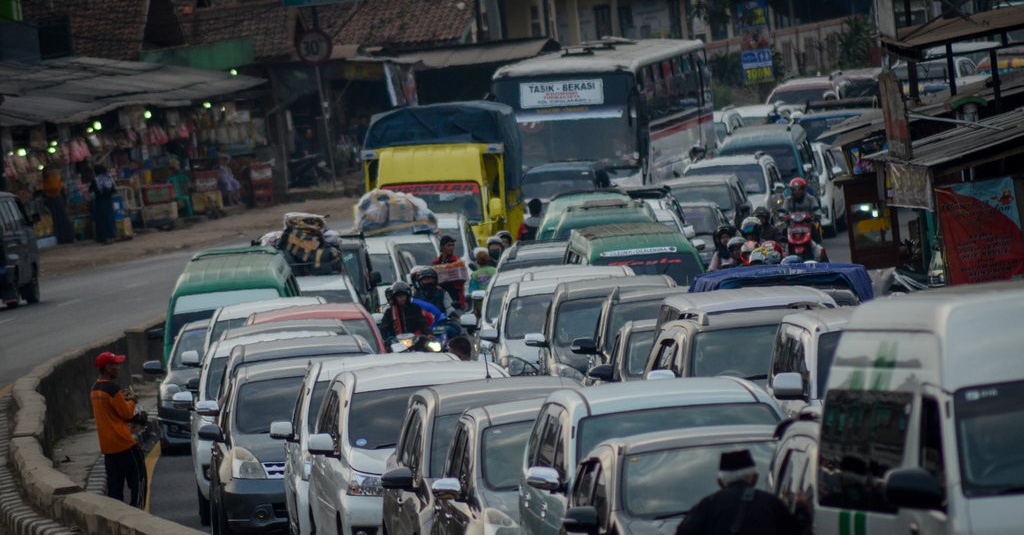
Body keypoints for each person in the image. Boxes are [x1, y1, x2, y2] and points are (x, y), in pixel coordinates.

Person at [675, 449, 799, 535]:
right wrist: (802, 508)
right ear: (755, 478)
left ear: (720, 482)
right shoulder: (772, 503)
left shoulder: (707, 505)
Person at [90, 351, 146, 507]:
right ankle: (138, 513)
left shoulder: (95, 389)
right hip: (124, 445)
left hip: (108, 449)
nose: (119, 367)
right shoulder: (112, 389)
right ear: (108, 368)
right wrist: (132, 400)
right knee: (138, 482)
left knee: (115, 491)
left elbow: (110, 412)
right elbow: (126, 413)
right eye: (115, 364)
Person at [432, 235, 467, 310]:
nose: (451, 248)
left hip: (455, 298)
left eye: (452, 245)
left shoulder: (457, 262)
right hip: (440, 298)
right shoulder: (436, 262)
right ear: (442, 247)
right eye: (448, 245)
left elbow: (463, 280)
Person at [42, 169, 75, 244]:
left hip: (57, 203)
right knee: (59, 221)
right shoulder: (48, 182)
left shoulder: (52, 181)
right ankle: (64, 238)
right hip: (56, 203)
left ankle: (66, 238)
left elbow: (59, 190)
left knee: (62, 220)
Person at [88, 164, 117, 244]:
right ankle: (112, 237)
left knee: (102, 220)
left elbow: (92, 190)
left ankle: (105, 238)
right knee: (110, 219)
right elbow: (114, 190)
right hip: (109, 201)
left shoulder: (96, 180)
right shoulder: (109, 178)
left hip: (100, 202)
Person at [467, 248, 497, 314]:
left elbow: (473, 294)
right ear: (488, 259)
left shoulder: (475, 275)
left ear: (477, 261)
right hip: (496, 302)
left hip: (482, 306)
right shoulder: (496, 271)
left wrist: (474, 309)